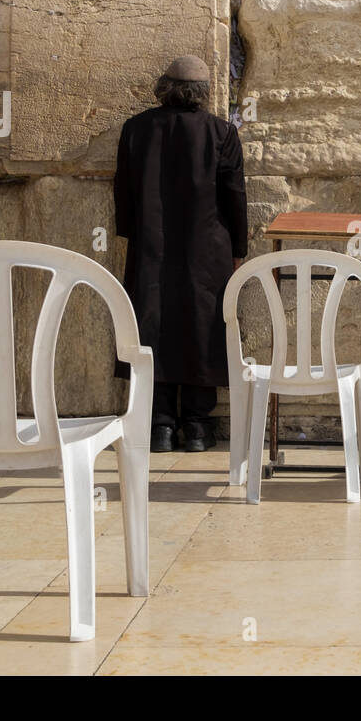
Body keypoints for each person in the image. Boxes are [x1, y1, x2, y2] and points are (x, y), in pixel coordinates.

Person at [114, 55, 248, 454]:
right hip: (207, 252)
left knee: (151, 326)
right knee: (200, 327)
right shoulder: (221, 133)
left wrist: (132, 235)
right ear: (204, 93)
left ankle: (159, 427)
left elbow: (124, 194)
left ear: (163, 87)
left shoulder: (136, 130)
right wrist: (237, 250)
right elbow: (234, 197)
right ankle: (197, 427)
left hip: (151, 246)